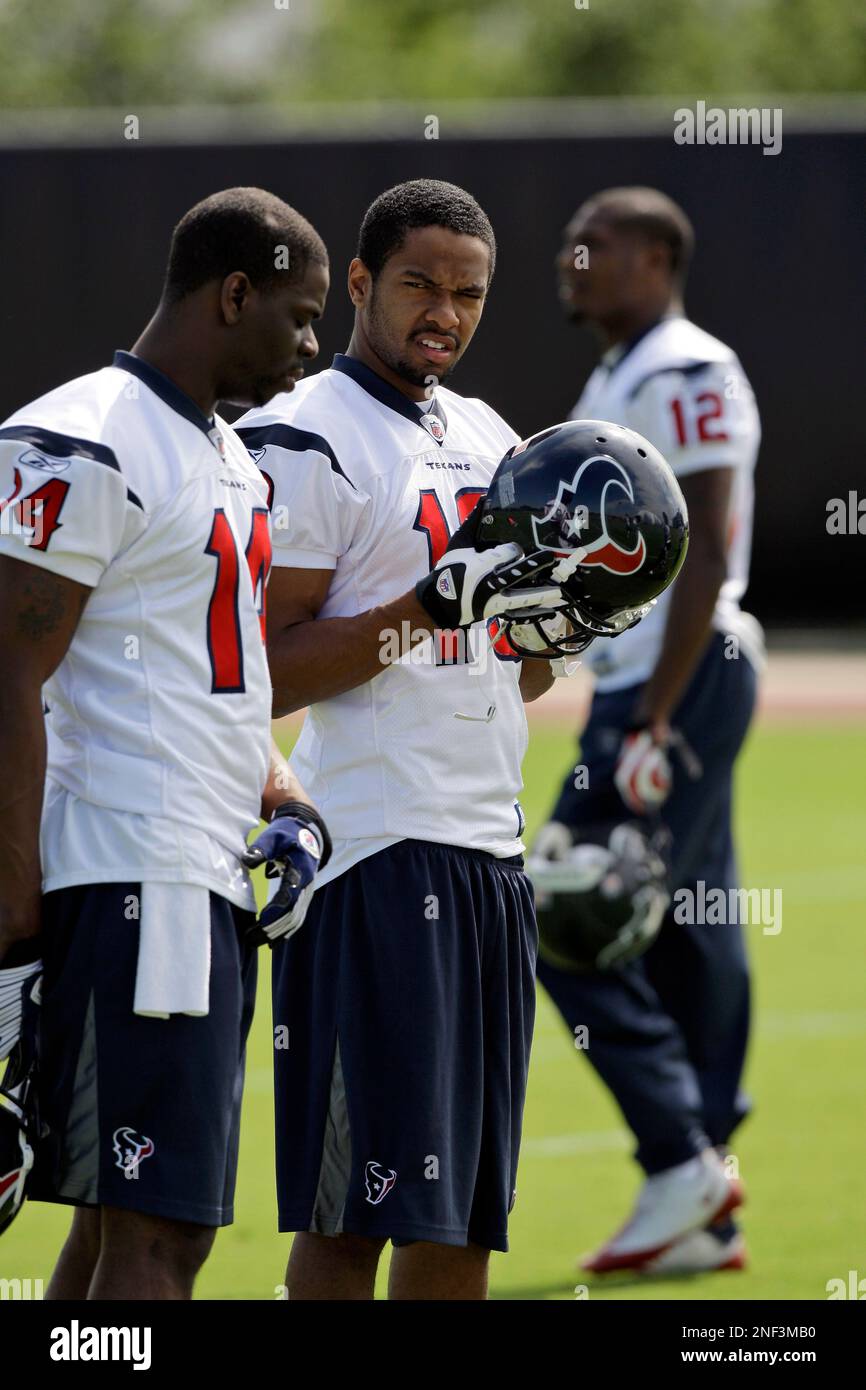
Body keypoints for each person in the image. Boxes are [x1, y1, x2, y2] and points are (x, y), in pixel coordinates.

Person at [236, 178, 573, 1301]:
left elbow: (512, 668)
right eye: (421, 285)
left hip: (488, 859)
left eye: (468, 293)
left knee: (464, 1221)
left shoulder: (488, 431)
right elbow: (260, 669)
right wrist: (429, 604)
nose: (445, 311)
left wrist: (564, 621)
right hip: (375, 858)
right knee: (352, 1217)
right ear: (364, 284)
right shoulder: (303, 434)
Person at [0, 187, 333, 1299]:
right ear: (233, 292)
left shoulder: (224, 454)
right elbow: (7, 675)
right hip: (133, 873)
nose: (312, 343)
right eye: (298, 314)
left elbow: (216, 677)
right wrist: (13, 939)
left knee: (115, 1225)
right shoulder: (85, 435)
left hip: (191, 871)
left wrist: (281, 797)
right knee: (160, 1236)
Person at [538, 185, 763, 1274]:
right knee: (683, 912)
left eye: (598, 244)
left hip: (683, 673)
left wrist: (655, 712)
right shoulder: (617, 374)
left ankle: (683, 1150)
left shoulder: (682, 368)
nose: (572, 257)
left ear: (657, 258)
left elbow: (707, 548)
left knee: (564, 906)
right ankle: (702, 1197)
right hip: (651, 678)